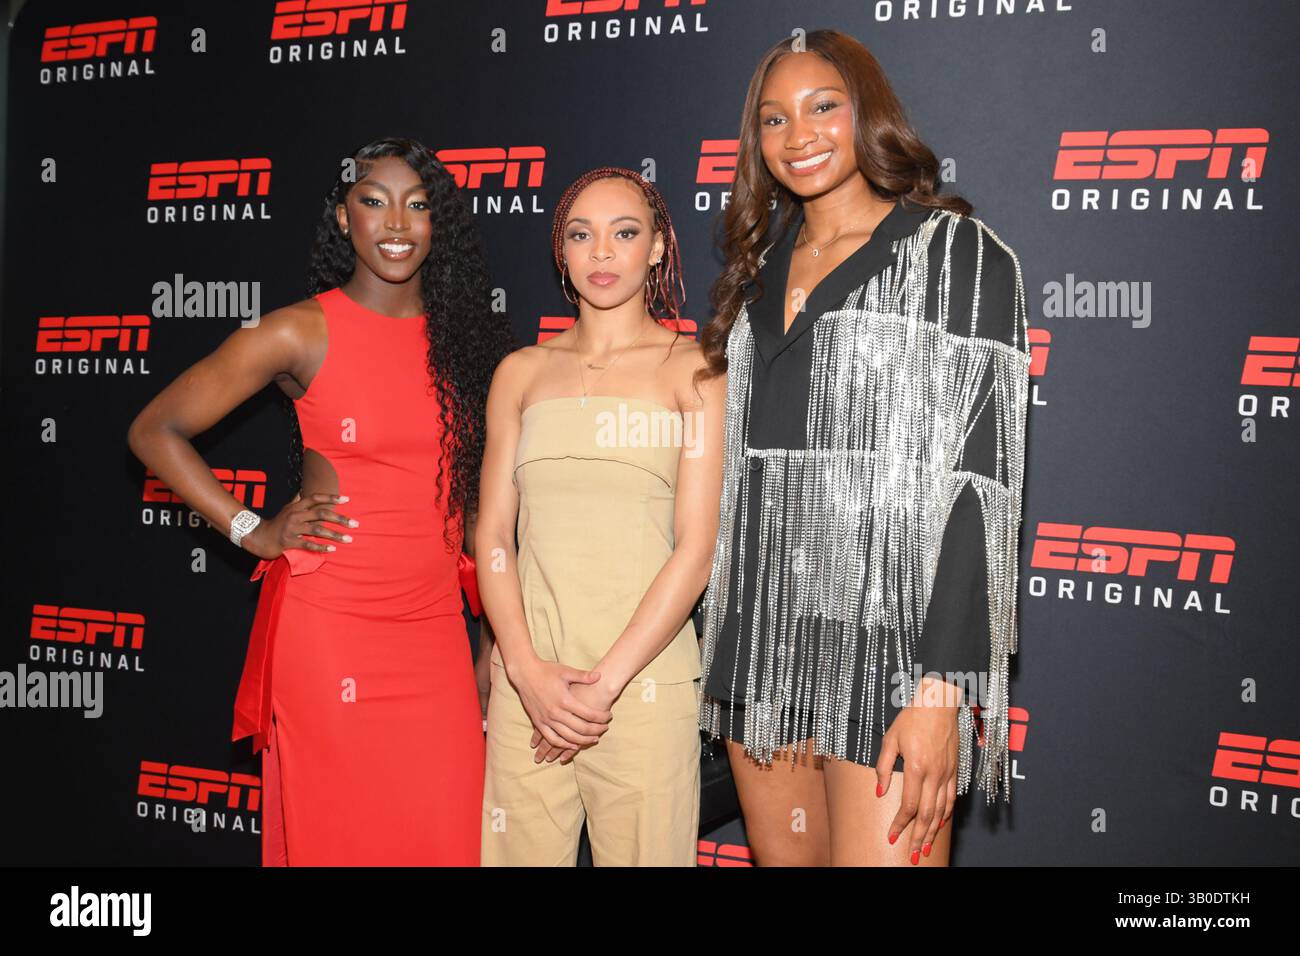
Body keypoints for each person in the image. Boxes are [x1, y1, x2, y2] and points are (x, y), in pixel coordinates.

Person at [126, 136, 513, 865]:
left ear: (440, 224)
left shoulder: (467, 341)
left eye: (417, 205)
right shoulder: (298, 330)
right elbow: (155, 430)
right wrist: (252, 529)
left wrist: (489, 643)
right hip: (331, 628)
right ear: (343, 218)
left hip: (433, 637)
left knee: (448, 838)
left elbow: (474, 510)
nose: (396, 223)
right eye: (374, 201)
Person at [696, 30, 1031, 866]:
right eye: (773, 120)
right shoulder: (757, 268)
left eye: (822, 108)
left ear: (867, 113)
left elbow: (978, 485)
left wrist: (940, 691)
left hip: (891, 653)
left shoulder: (957, 257)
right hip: (763, 647)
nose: (798, 135)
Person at [475, 167, 725, 866]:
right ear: (562, 252)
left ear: (657, 248)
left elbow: (697, 548)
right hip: (528, 689)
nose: (603, 253)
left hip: (641, 691)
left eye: (625, 233)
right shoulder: (520, 374)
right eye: (582, 236)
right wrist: (524, 672)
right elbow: (492, 536)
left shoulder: (695, 370)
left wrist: (599, 689)